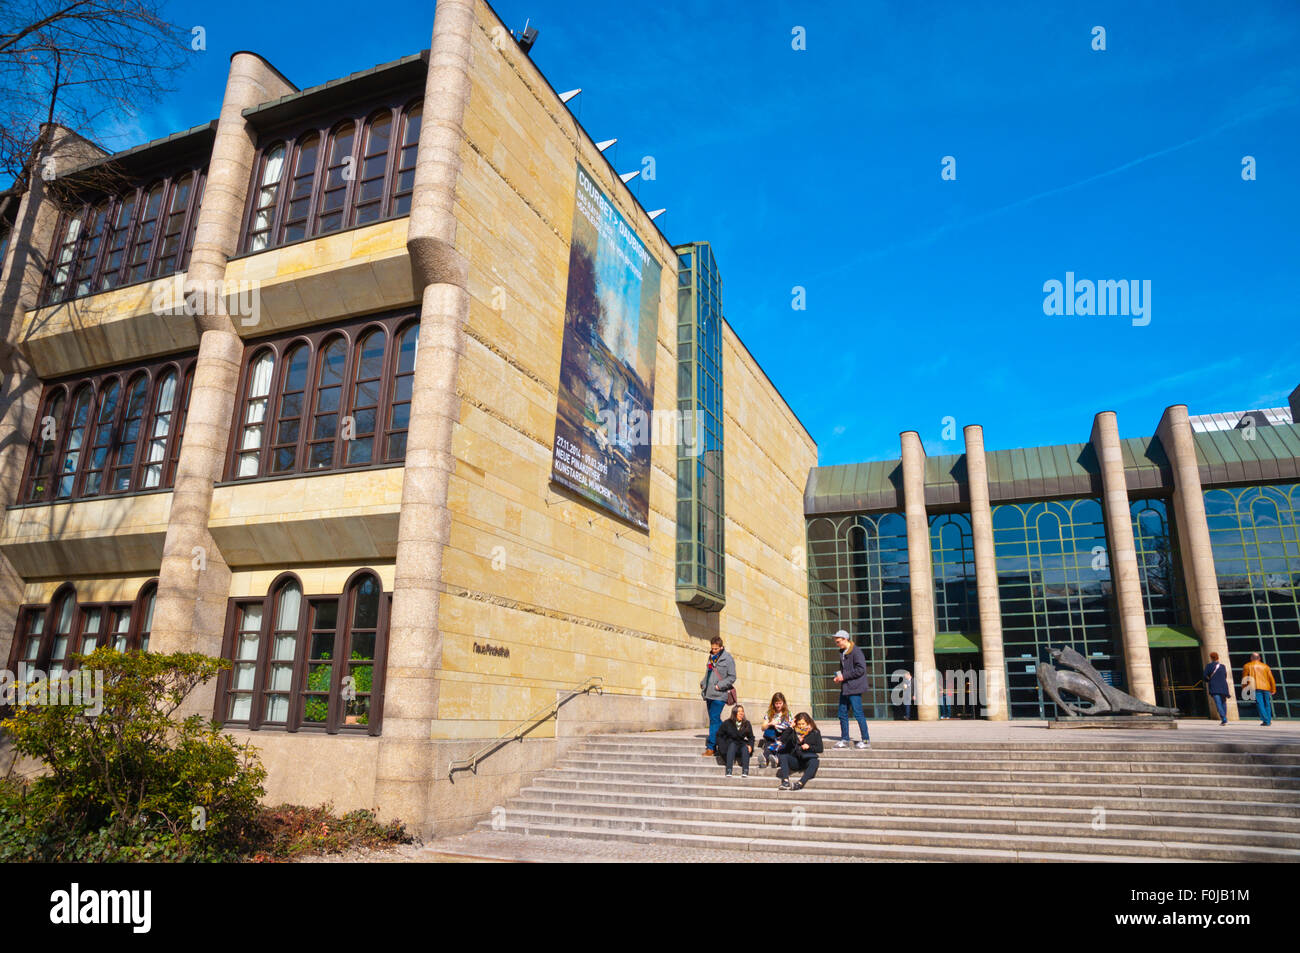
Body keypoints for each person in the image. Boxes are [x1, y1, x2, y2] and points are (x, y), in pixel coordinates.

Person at [831, 630, 871, 749]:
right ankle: (845, 739)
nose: (837, 644)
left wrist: (844, 676)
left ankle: (866, 740)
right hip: (845, 688)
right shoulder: (842, 652)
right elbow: (844, 670)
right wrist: (839, 677)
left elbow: (861, 669)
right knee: (842, 713)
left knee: (858, 714)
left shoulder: (856, 651)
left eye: (838, 642)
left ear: (845, 639)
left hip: (855, 688)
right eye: (836, 642)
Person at [699, 636, 736, 755]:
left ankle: (711, 747)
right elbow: (708, 673)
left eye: (716, 649)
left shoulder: (728, 659)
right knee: (714, 719)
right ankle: (729, 733)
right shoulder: (711, 657)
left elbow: (732, 677)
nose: (714, 651)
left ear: (721, 647)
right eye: (712, 648)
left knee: (714, 719)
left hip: (720, 695)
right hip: (708, 693)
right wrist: (703, 683)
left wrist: (719, 686)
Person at [776, 713, 823, 791]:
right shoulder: (793, 731)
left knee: (815, 761)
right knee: (783, 756)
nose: (801, 726)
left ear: (808, 723)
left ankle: (800, 783)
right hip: (795, 760)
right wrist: (790, 727)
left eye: (803, 724)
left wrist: (809, 747)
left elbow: (820, 749)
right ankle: (785, 781)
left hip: (807, 760)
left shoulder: (815, 732)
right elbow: (782, 740)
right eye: (799, 724)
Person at [716, 704, 755, 778]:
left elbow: (751, 737)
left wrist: (750, 745)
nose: (741, 713)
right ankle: (729, 770)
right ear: (734, 713)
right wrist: (722, 748)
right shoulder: (727, 723)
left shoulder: (747, 723)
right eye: (739, 711)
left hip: (741, 744)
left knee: (745, 747)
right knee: (732, 745)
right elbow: (719, 735)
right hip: (730, 745)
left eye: (742, 711)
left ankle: (745, 770)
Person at [1242, 652, 1276, 726]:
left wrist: (1244, 688)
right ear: (1259, 658)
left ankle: (1266, 720)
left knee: (1260, 704)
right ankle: (1268, 720)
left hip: (1256, 687)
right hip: (1266, 687)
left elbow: (1245, 678)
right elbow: (1271, 678)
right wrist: (1273, 689)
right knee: (1267, 704)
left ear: (1251, 658)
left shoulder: (1247, 666)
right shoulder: (1265, 666)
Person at [761, 693, 794, 767]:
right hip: (772, 736)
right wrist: (770, 723)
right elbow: (763, 728)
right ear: (773, 703)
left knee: (780, 746)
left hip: (783, 736)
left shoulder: (788, 713)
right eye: (776, 703)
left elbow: (792, 726)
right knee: (769, 746)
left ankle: (776, 760)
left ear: (783, 703)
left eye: (780, 703)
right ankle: (764, 760)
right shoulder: (769, 713)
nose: (778, 705)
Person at [1204, 651, 1231, 725]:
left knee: (1218, 703)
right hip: (1223, 686)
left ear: (1211, 658)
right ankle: (1224, 718)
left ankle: (1224, 718)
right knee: (1223, 702)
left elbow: (1205, 676)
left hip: (1214, 687)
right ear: (1218, 657)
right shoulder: (1222, 666)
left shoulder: (1209, 666)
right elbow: (1225, 675)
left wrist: (1209, 680)